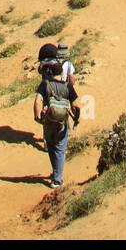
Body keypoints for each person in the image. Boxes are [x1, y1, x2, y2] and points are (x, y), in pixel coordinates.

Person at [34, 59, 79, 188]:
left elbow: (38, 101)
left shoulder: (45, 84)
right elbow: (75, 105)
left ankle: (55, 173)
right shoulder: (68, 86)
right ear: (62, 72)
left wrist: (37, 117)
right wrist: (76, 118)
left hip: (48, 121)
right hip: (62, 122)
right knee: (60, 148)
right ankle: (57, 179)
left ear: (51, 72)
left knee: (51, 147)